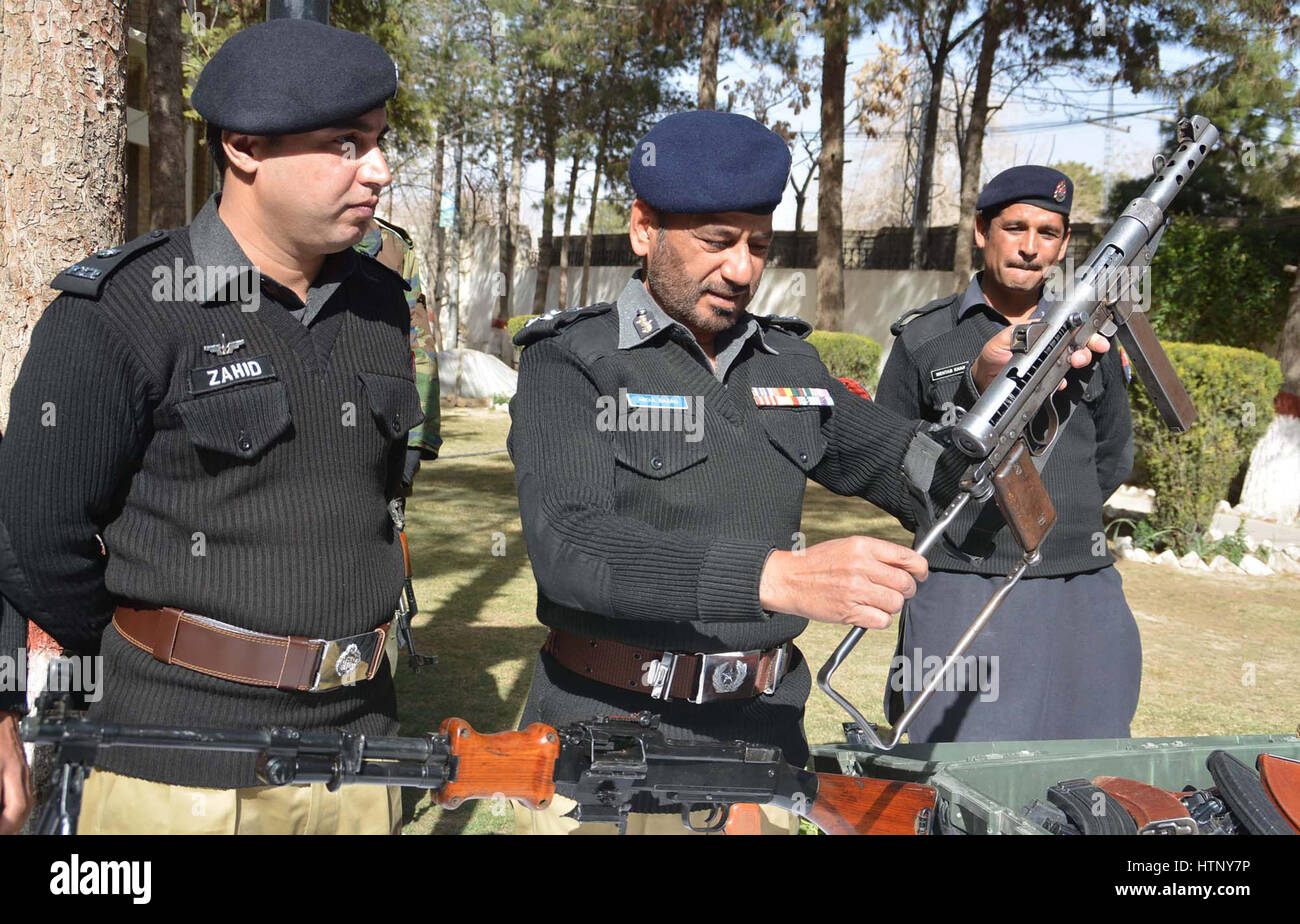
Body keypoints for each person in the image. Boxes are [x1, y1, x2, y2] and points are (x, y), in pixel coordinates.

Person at [506, 114, 1109, 834]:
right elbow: (572, 547)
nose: (742, 270)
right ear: (644, 228)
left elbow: (921, 472)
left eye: (759, 245)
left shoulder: (787, 365)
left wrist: (1000, 390)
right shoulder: (574, 360)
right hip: (607, 749)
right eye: (716, 241)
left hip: (761, 744)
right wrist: (776, 579)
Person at [0, 18, 422, 834]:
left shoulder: (380, 309)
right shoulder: (122, 310)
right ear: (244, 148)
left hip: (361, 762)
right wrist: (158, 643)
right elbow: (29, 535)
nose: (378, 169)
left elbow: (373, 499)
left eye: (376, 140)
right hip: (175, 774)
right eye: (344, 143)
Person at [875, 165, 1138, 743]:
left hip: (1080, 584)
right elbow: (888, 462)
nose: (1030, 247)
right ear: (980, 231)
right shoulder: (924, 338)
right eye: (1015, 227)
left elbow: (1113, 457)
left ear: (1065, 244)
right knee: (948, 772)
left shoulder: (1092, 338)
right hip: (960, 582)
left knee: (1088, 771)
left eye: (1048, 233)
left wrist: (1056, 521)